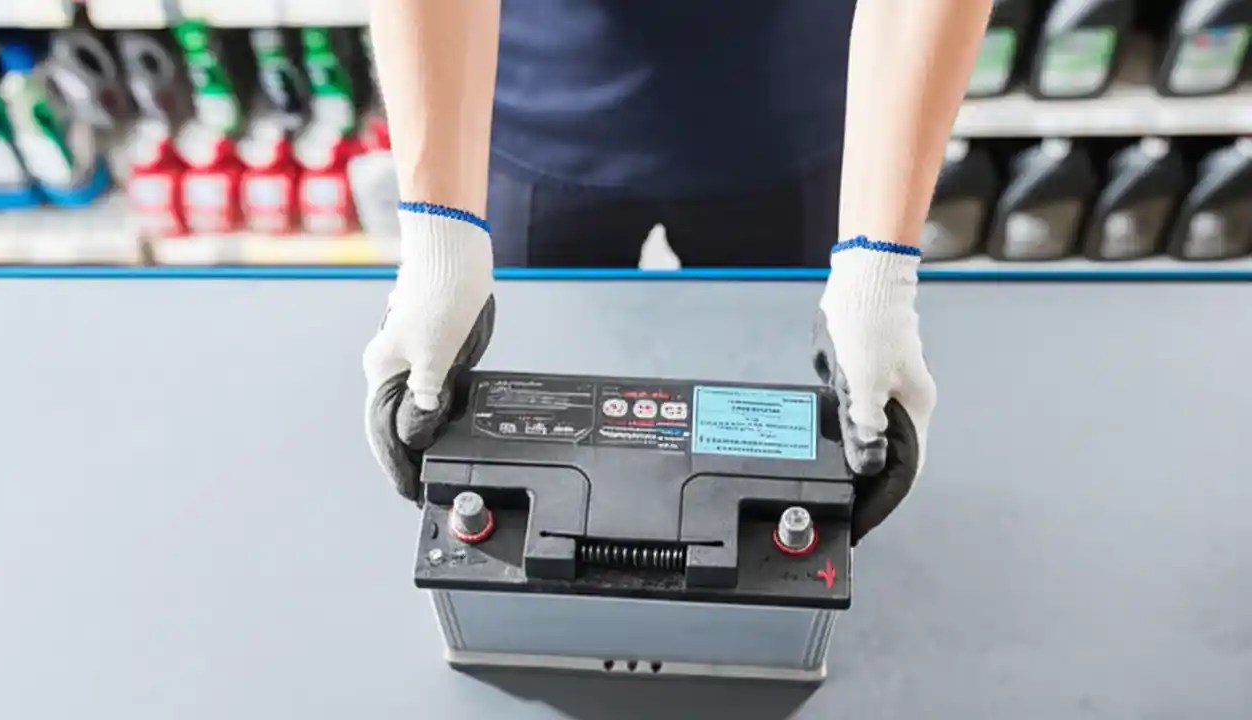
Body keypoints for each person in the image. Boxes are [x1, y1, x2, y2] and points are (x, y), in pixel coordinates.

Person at [364, 0, 992, 542]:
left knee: (803, 435)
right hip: (540, 95)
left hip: (789, 103)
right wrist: (436, 246)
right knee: (513, 424)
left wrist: (876, 276)